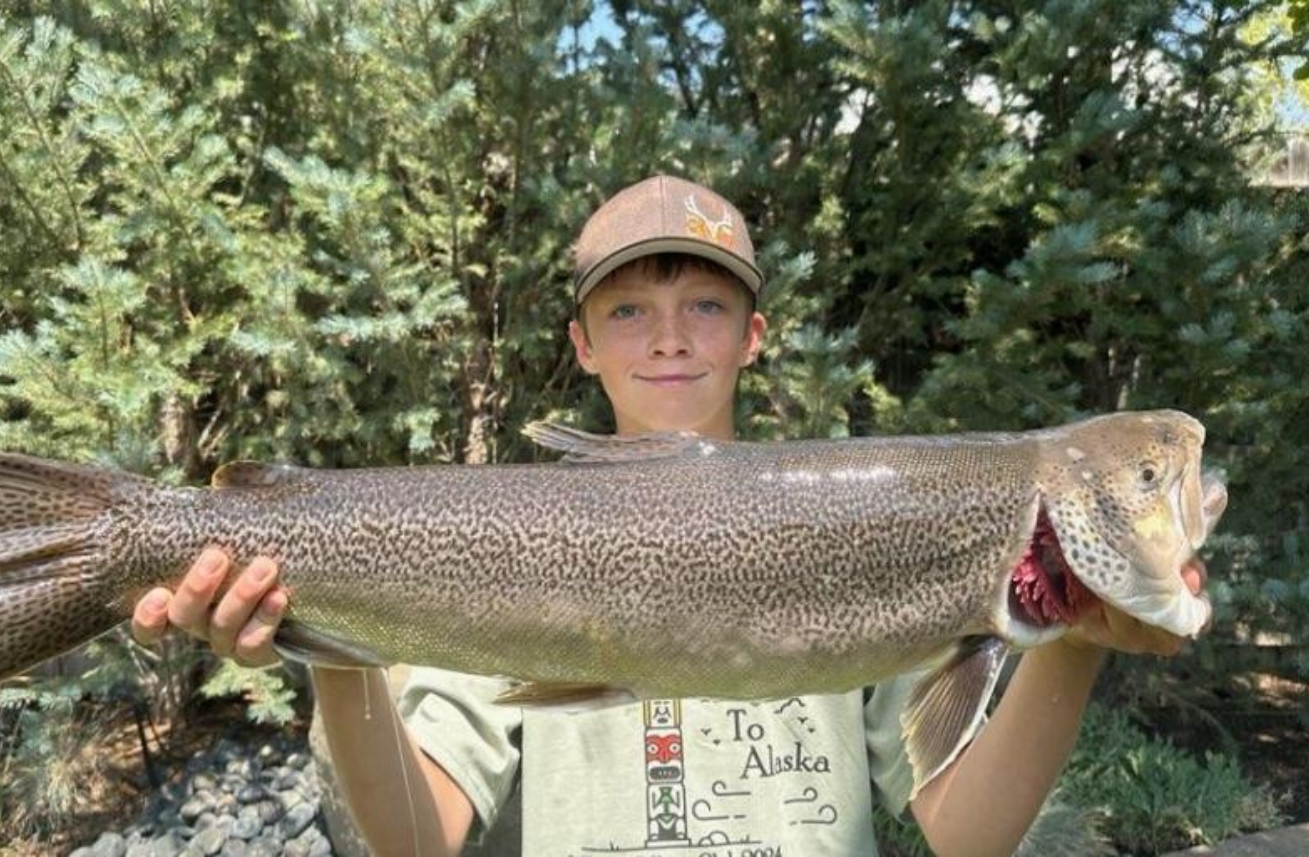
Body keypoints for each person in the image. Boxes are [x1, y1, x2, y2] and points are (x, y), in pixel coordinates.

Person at [131, 175, 1207, 855]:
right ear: (584, 342)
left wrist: (1073, 642)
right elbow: (421, 840)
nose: (669, 337)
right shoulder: (514, 548)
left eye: (705, 303)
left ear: (752, 333)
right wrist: (335, 642)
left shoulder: (870, 528)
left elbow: (964, 836)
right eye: (629, 309)